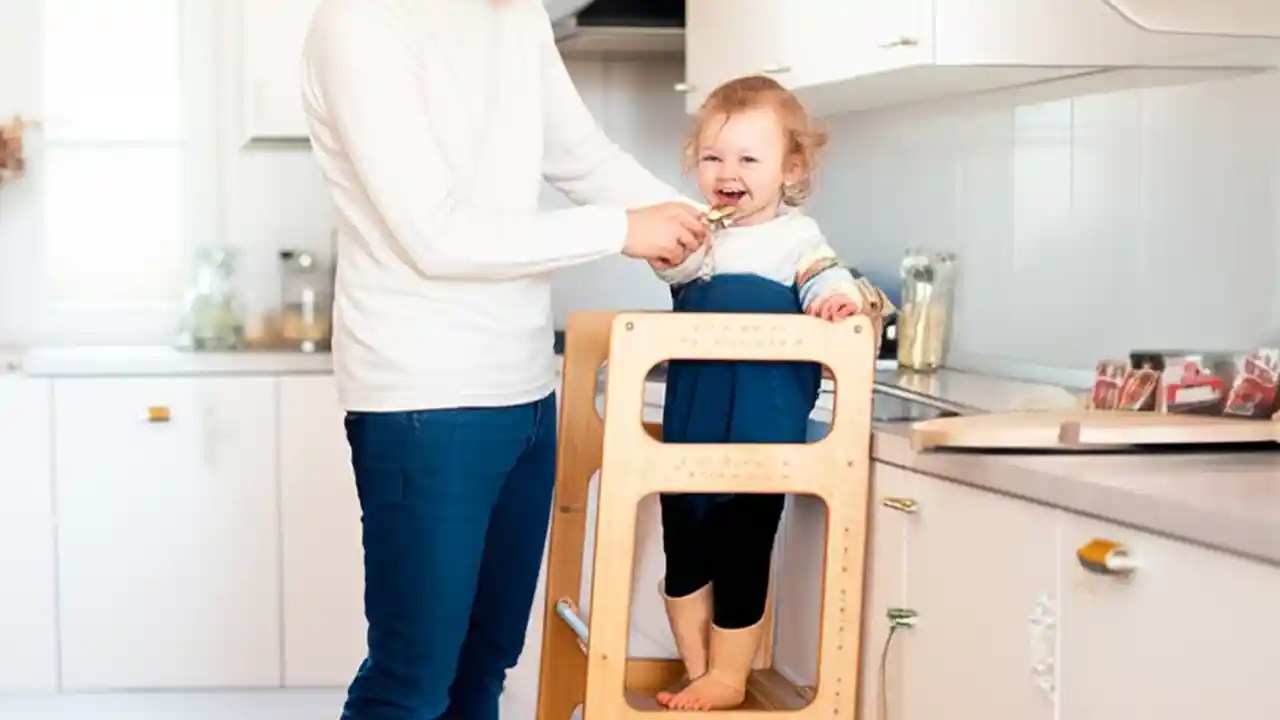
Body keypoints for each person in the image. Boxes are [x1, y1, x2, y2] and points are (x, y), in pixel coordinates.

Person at [299, 0, 709, 717]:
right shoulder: (361, 24)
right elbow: (435, 235)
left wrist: (737, 244)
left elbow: (584, 159)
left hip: (524, 392)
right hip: (423, 397)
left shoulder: (514, 14)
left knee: (484, 668)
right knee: (413, 679)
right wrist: (621, 230)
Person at [649, 75, 894, 711]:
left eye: (748, 159)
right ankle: (699, 664)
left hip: (764, 429)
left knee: (742, 547)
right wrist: (672, 246)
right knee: (684, 550)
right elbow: (672, 268)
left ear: (791, 168)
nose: (728, 173)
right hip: (691, 423)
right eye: (713, 158)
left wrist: (837, 302)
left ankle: (728, 677)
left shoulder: (797, 239)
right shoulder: (700, 234)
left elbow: (823, 281)